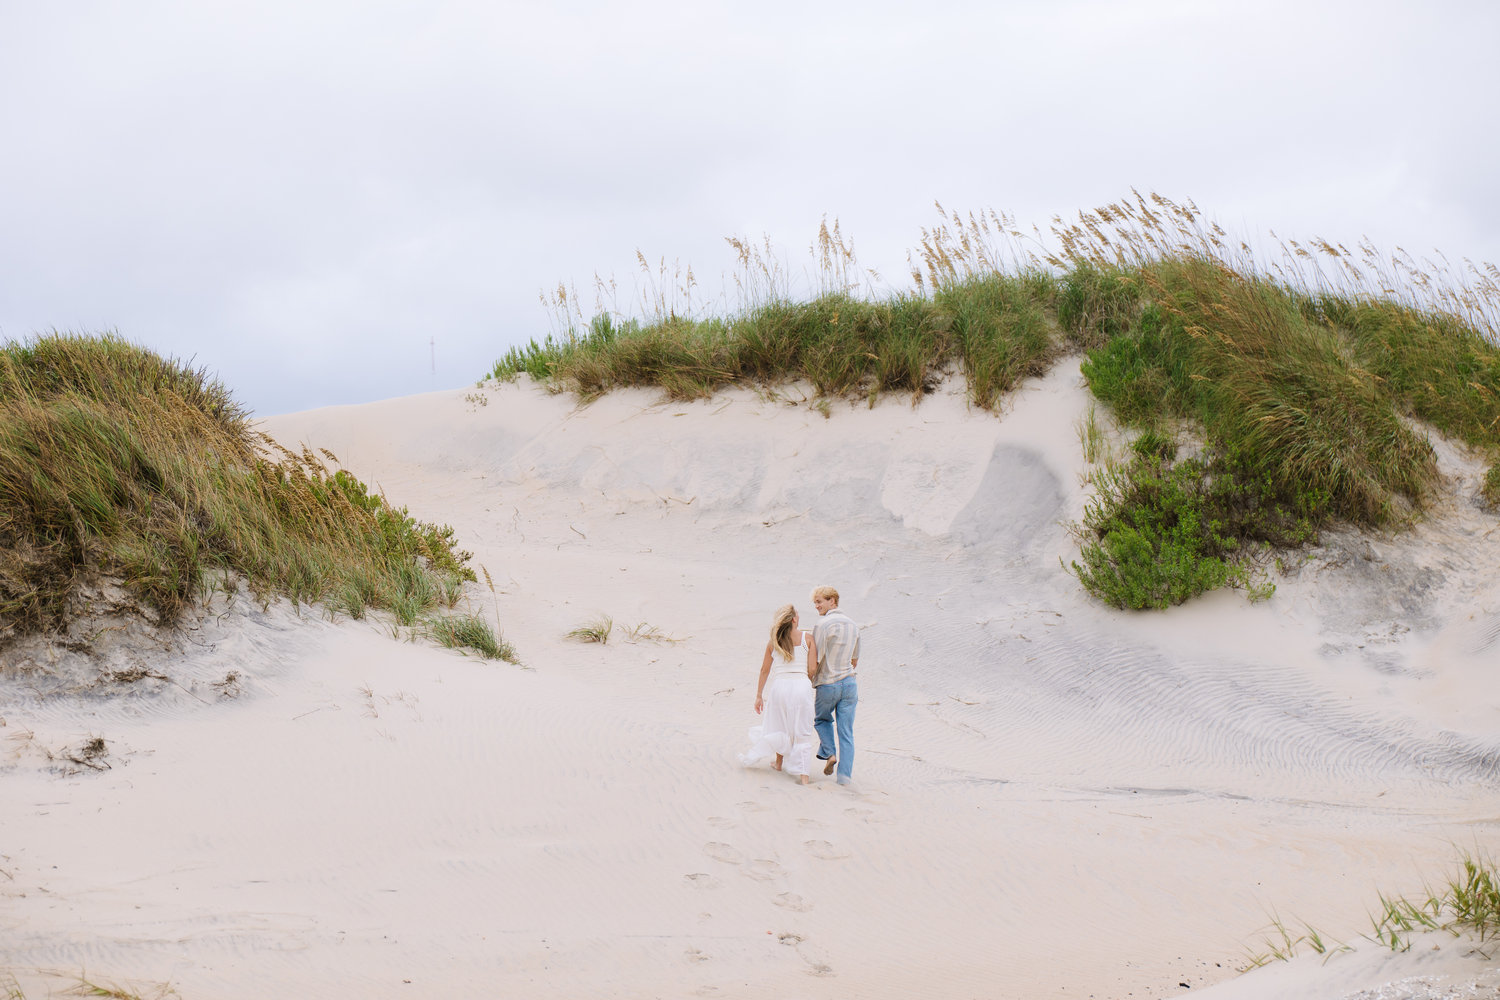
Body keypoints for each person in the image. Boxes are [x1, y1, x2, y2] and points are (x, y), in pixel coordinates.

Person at [739, 604, 818, 784]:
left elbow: (764, 670)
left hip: (780, 687)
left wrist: (759, 695)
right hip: (801, 684)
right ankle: (804, 777)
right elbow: (812, 668)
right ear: (794, 619)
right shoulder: (808, 638)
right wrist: (806, 680)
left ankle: (779, 763)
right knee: (802, 730)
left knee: (779, 725)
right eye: (798, 615)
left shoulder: (773, 642)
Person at [811, 585, 859, 786]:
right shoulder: (854, 625)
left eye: (819, 601)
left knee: (822, 720)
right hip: (850, 684)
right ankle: (844, 778)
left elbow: (814, 658)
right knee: (846, 732)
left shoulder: (823, 624)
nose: (816, 606)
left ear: (832, 601)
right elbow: (854, 660)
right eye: (815, 603)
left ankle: (830, 753)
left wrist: (809, 679)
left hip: (828, 683)